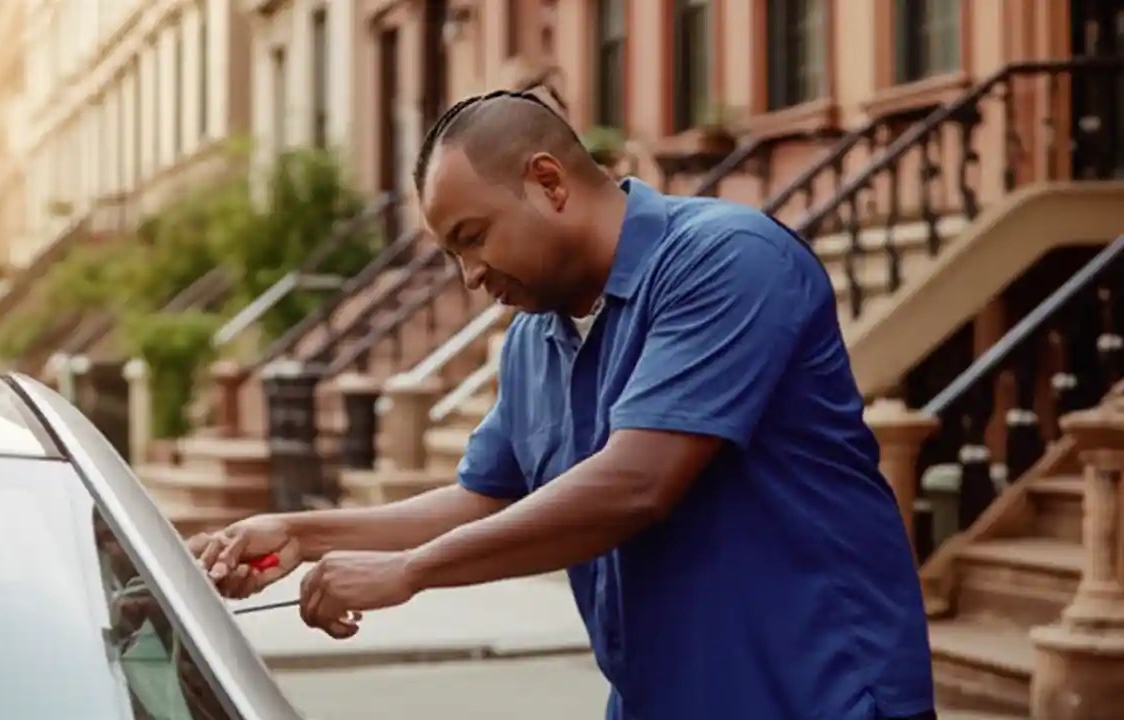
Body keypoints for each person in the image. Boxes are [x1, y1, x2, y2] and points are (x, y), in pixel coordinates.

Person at [190, 90, 936, 720]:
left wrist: (411, 570)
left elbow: (637, 483)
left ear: (548, 181)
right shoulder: (534, 339)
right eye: (451, 255)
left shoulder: (727, 259)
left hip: (817, 697)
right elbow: (484, 498)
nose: (470, 276)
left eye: (473, 237)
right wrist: (301, 533)